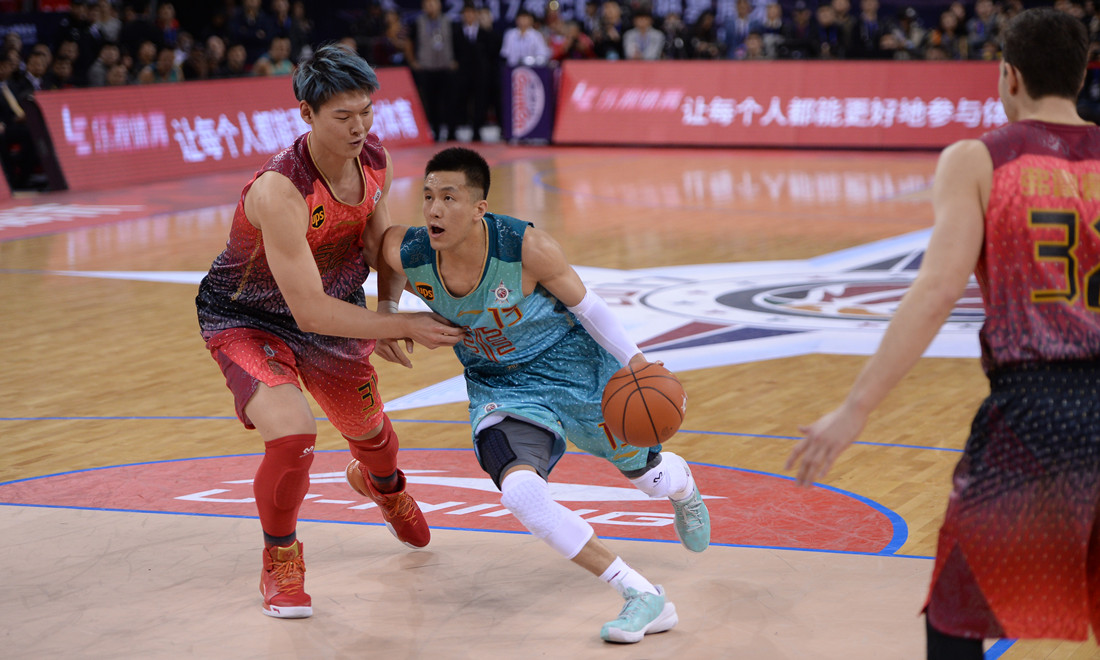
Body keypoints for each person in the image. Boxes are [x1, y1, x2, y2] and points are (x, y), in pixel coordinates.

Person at [786, 8, 1100, 658]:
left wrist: (855, 409)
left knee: (958, 614)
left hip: (1032, 410)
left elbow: (934, 295)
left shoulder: (979, 158)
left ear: (1008, 75)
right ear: (1081, 75)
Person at [378, 146, 712, 643]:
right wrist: (388, 312)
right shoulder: (410, 249)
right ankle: (641, 594)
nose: (433, 209)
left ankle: (682, 490)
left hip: (576, 372)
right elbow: (385, 258)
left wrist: (636, 362)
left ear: (478, 208)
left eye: (449, 197)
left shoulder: (525, 247)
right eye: (427, 196)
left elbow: (590, 308)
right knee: (521, 493)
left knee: (648, 477)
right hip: (501, 386)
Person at [195, 44, 464, 619]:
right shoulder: (280, 190)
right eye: (343, 117)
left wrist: (389, 305)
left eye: (366, 111)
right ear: (306, 114)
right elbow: (310, 312)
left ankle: (385, 489)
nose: (359, 126)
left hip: (332, 309)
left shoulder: (374, 160)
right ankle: (281, 562)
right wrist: (399, 319)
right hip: (250, 318)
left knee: (371, 434)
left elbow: (378, 243)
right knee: (293, 434)